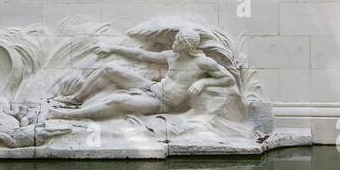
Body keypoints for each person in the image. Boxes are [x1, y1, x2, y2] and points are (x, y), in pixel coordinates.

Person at [48, 30, 234, 121]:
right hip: (152, 88)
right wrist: (113, 48)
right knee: (109, 69)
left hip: (162, 103)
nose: (174, 42)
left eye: (178, 41)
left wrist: (203, 83)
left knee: (117, 101)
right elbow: (141, 55)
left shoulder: (202, 62)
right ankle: (74, 99)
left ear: (188, 46)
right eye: (176, 38)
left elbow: (228, 79)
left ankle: (67, 116)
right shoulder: (172, 56)